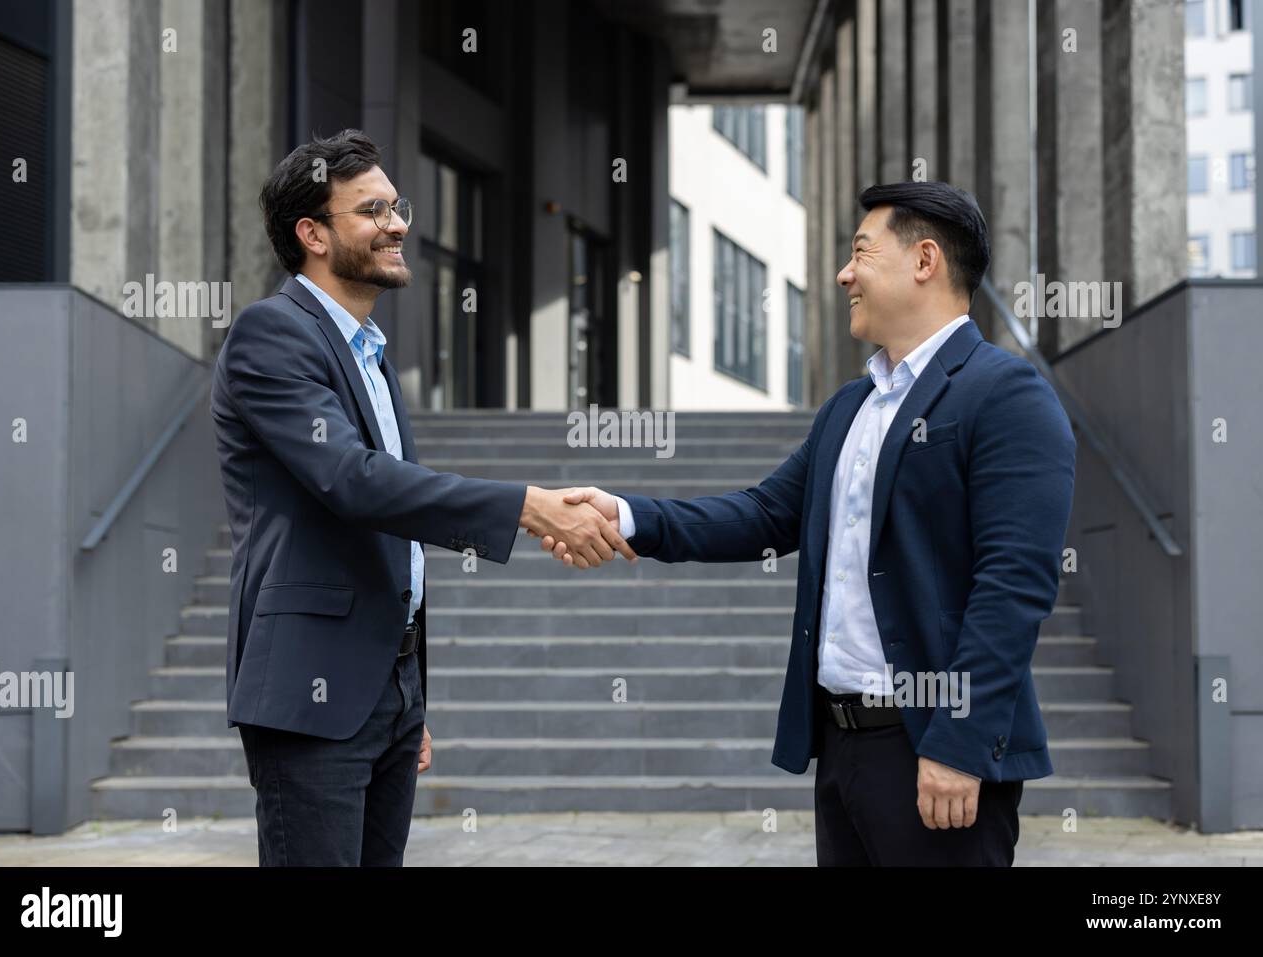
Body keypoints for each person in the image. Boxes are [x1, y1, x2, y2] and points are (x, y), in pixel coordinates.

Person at [539, 181, 1075, 866]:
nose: (844, 273)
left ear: (925, 261)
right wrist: (629, 515)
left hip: (932, 746)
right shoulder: (850, 408)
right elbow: (764, 513)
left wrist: (959, 743)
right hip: (844, 748)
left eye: (861, 252)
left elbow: (1016, 583)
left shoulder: (1006, 394)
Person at [211, 129, 635, 866]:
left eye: (396, 204)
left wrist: (404, 692)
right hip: (311, 696)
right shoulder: (271, 333)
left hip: (384, 688)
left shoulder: (370, 353)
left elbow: (394, 524)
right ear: (312, 233)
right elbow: (353, 481)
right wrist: (526, 505)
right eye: (373, 210)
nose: (400, 223)